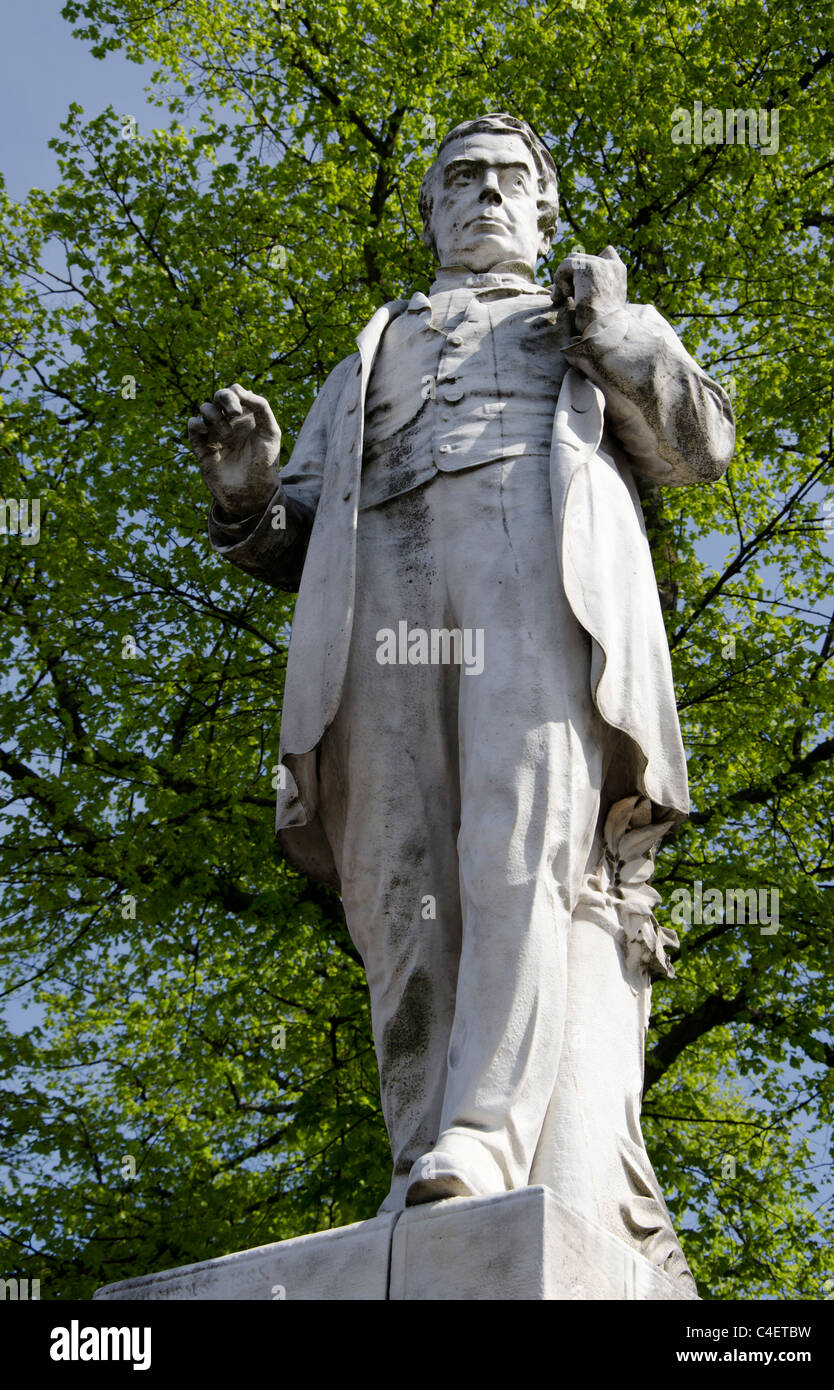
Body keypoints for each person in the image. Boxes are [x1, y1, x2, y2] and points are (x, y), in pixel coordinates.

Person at [188, 113, 734, 1291]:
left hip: (527, 568)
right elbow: (294, 531)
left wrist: (618, 332)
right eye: (459, 180)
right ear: (432, 211)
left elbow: (700, 444)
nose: (484, 194)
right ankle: (421, 1145)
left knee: (514, 844)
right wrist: (244, 492)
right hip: (383, 584)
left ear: (543, 211)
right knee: (397, 873)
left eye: (510, 179)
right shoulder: (367, 352)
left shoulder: (582, 320)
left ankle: (485, 1131)